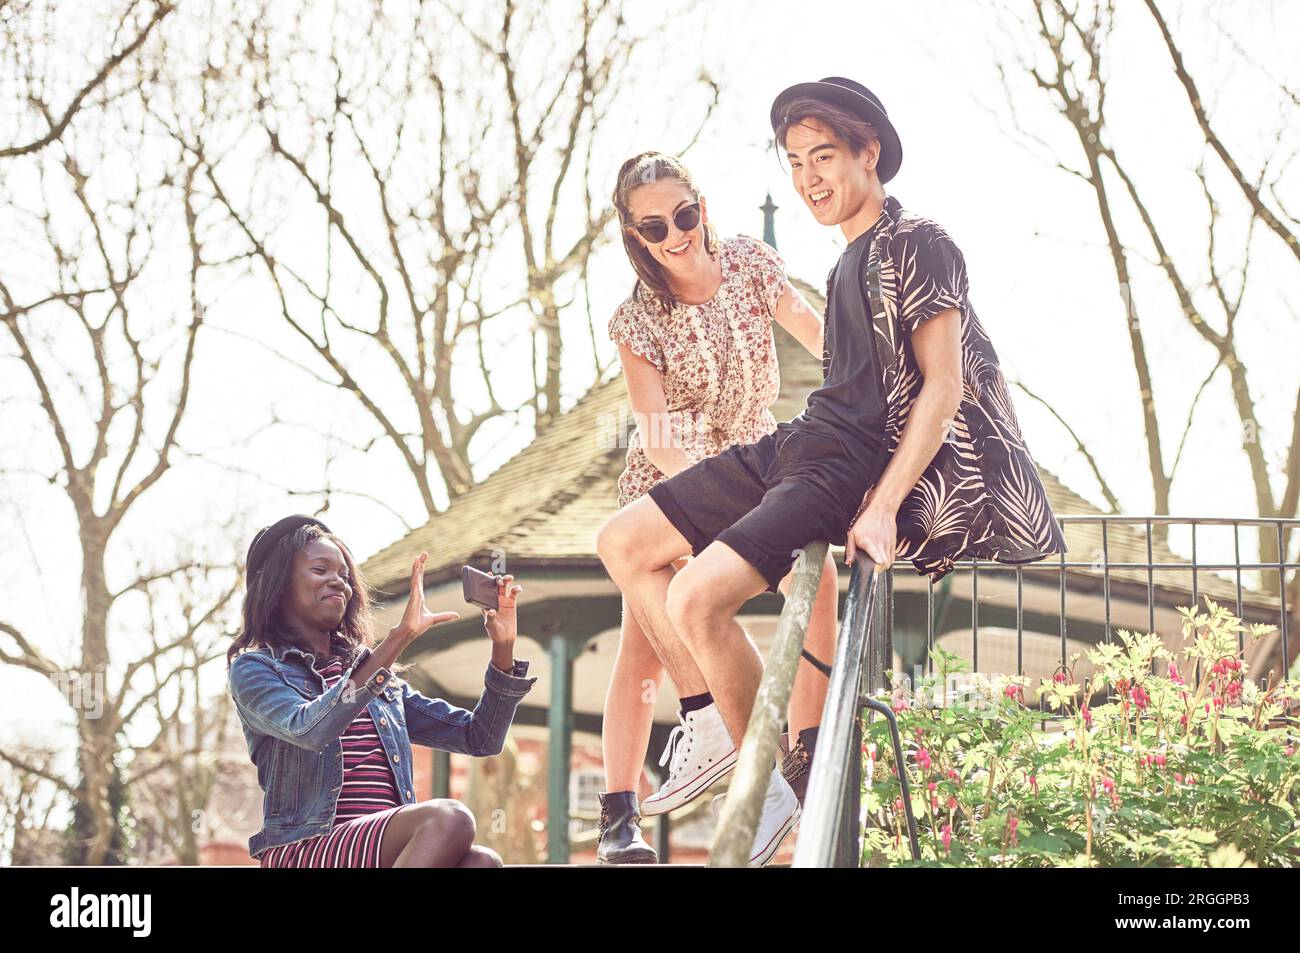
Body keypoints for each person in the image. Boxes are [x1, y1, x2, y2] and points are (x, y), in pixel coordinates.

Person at [596, 78, 1066, 864]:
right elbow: (818, 374)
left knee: (695, 595)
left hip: (835, 468)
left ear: (868, 152)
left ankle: (776, 780)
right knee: (621, 540)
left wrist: (883, 504)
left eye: (824, 156)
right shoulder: (849, 258)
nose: (809, 176)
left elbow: (942, 386)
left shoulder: (920, 241)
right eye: (795, 162)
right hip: (793, 441)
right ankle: (709, 724)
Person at [598, 151, 838, 866]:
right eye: (654, 226)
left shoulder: (752, 265)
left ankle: (802, 749)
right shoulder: (636, 320)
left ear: (702, 205)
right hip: (674, 476)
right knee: (645, 640)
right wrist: (713, 501)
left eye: (684, 213)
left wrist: (870, 374)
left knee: (813, 580)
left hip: (757, 457)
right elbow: (659, 435)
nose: (675, 233)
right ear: (635, 235)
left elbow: (820, 333)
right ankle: (619, 813)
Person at [227, 514, 536, 867]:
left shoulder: (381, 685)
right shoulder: (257, 669)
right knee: (450, 818)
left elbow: (480, 738)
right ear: (280, 585)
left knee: (482, 863)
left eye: (344, 575)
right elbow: (310, 729)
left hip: (381, 854)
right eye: (320, 570)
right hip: (307, 847)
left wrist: (503, 646)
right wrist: (400, 636)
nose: (338, 582)